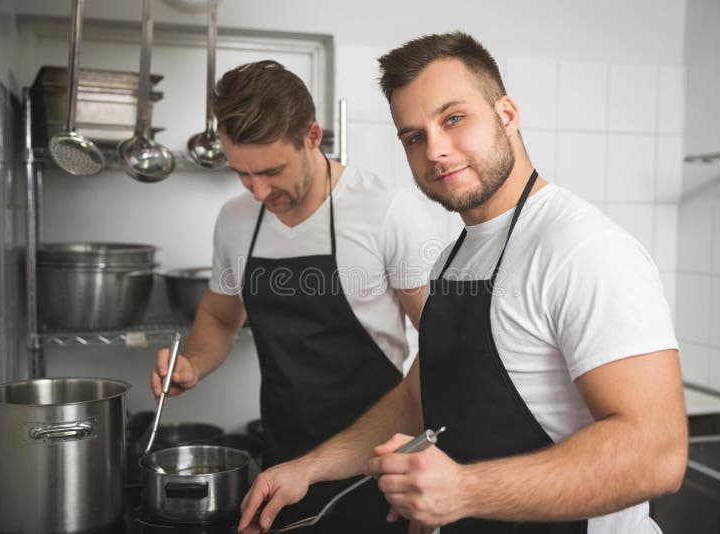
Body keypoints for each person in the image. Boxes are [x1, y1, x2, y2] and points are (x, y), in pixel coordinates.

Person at [237, 33, 687, 534]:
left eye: (454, 119)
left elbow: (657, 453)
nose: (436, 150)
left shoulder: (582, 248)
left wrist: (462, 491)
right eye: (413, 136)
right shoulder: (453, 259)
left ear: (507, 115)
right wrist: (309, 468)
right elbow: (415, 399)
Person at [151, 60, 440, 533]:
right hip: (282, 464)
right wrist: (194, 363)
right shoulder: (235, 220)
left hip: (378, 463)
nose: (259, 190)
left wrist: (429, 459)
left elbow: (445, 345)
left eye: (271, 171)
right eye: (243, 174)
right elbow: (221, 319)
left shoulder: (386, 213)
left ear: (311, 136)